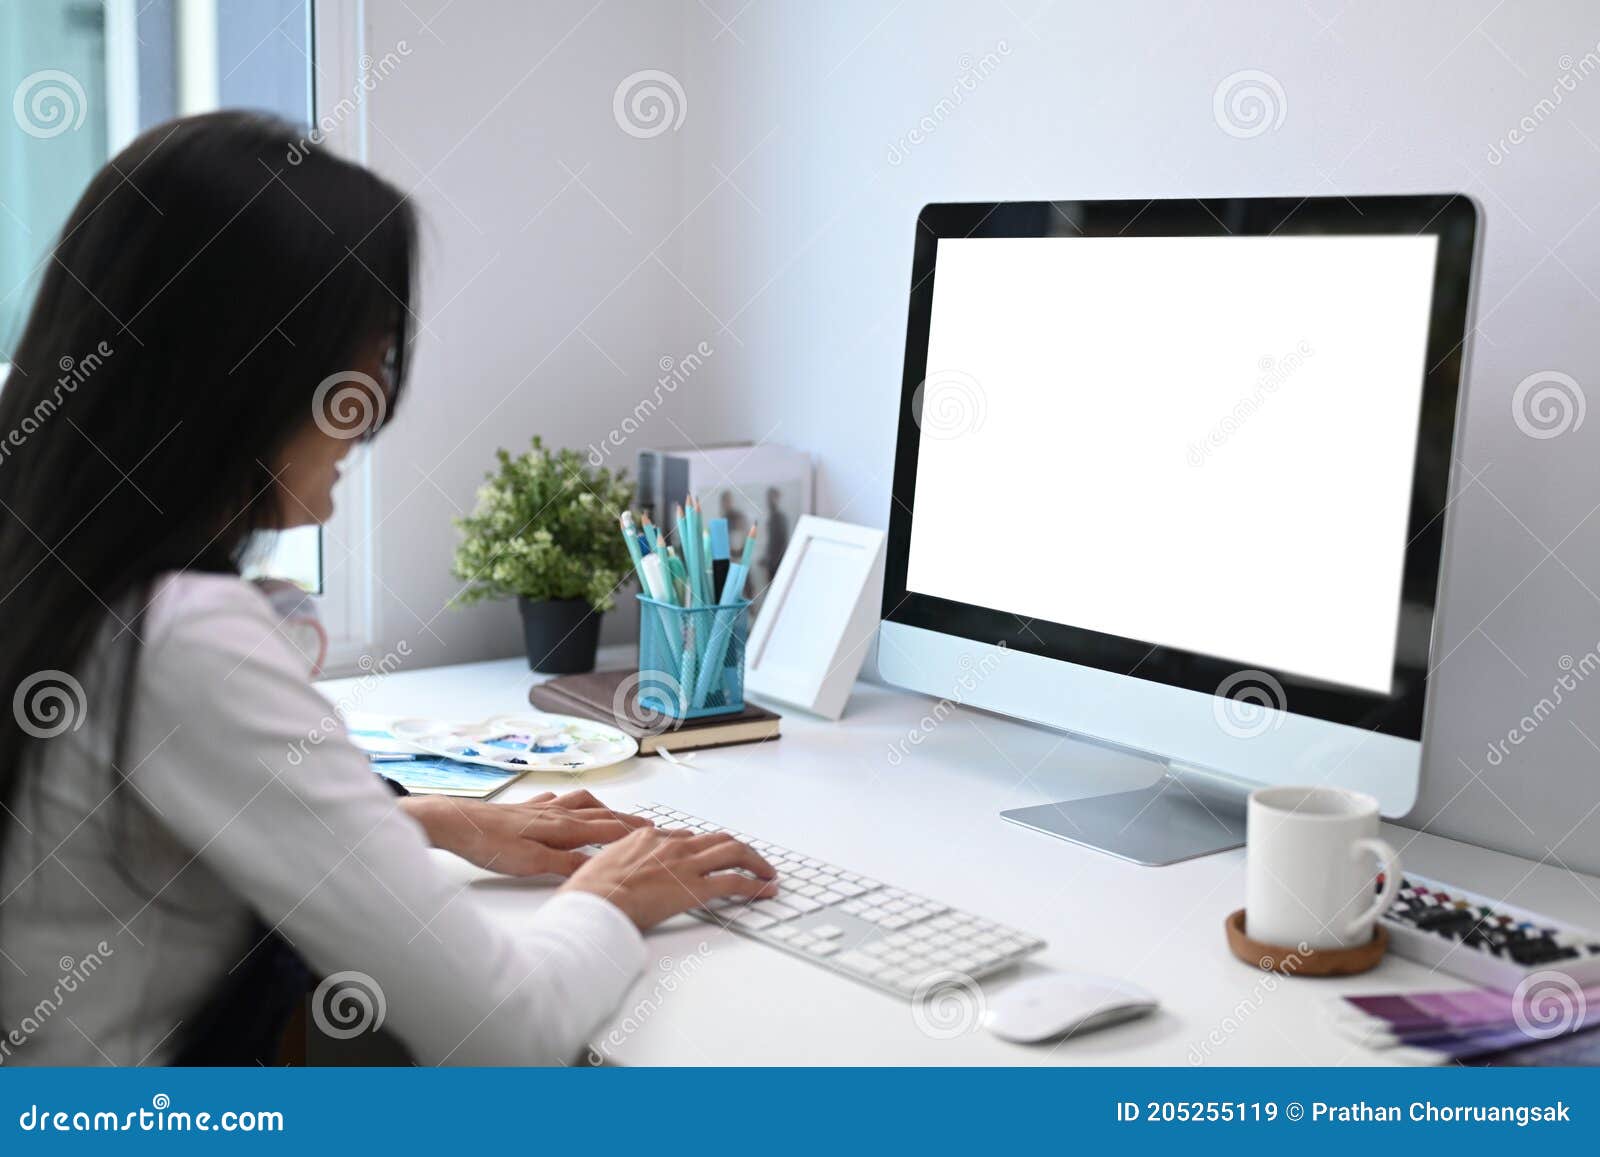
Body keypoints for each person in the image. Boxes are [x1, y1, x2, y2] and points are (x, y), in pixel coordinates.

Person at [0, 112, 776, 1066]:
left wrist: (427, 821)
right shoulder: (186, 638)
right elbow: (506, 1031)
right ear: (259, 369)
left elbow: (126, 865)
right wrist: (614, 894)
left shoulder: (51, 574)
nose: (372, 392)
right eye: (369, 347)